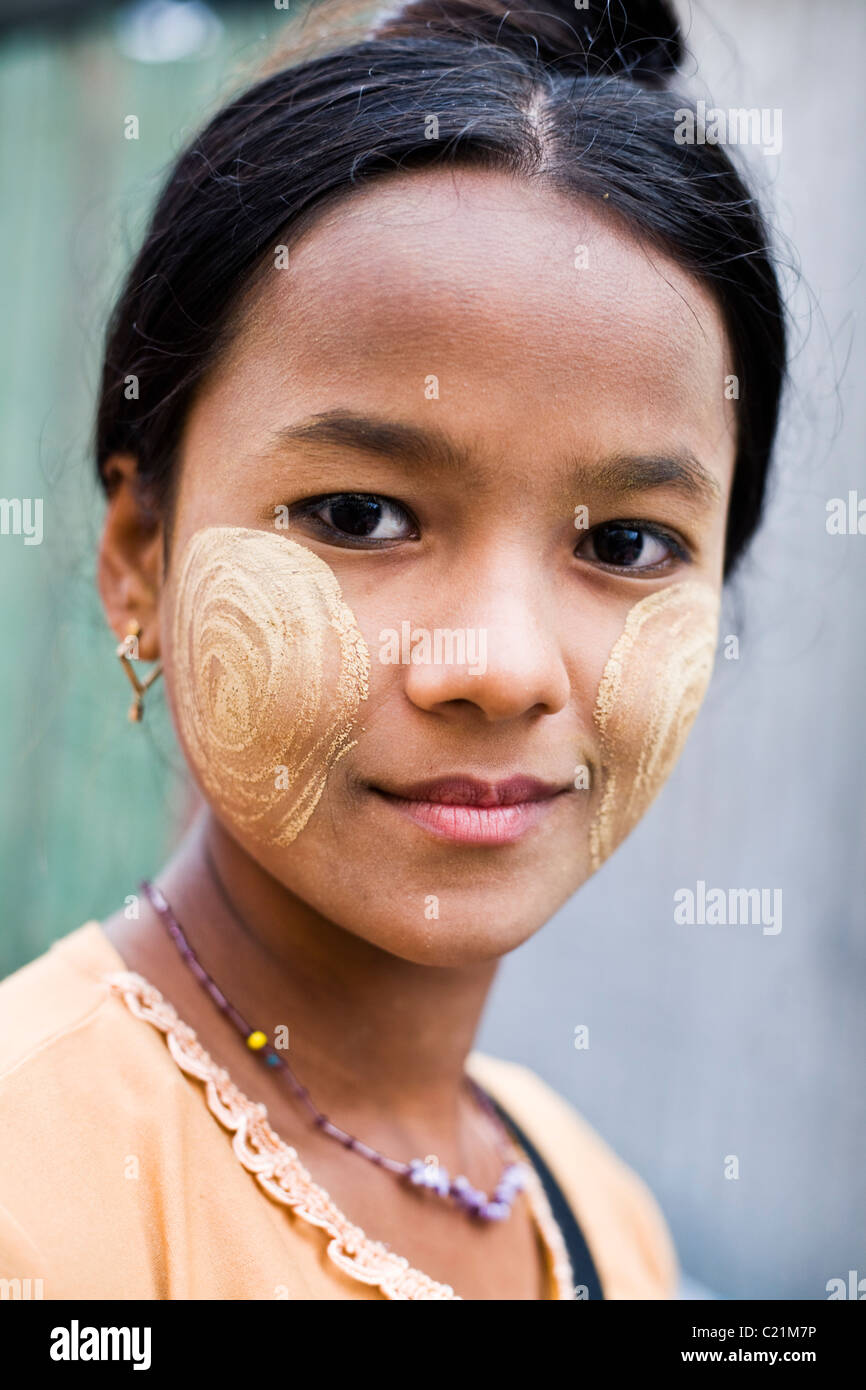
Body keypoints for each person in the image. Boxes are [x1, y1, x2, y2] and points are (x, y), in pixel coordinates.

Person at [0, 0, 786, 1300]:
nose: (499, 664)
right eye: (359, 516)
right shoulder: (40, 1187)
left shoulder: (595, 1213)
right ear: (138, 556)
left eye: (629, 543)